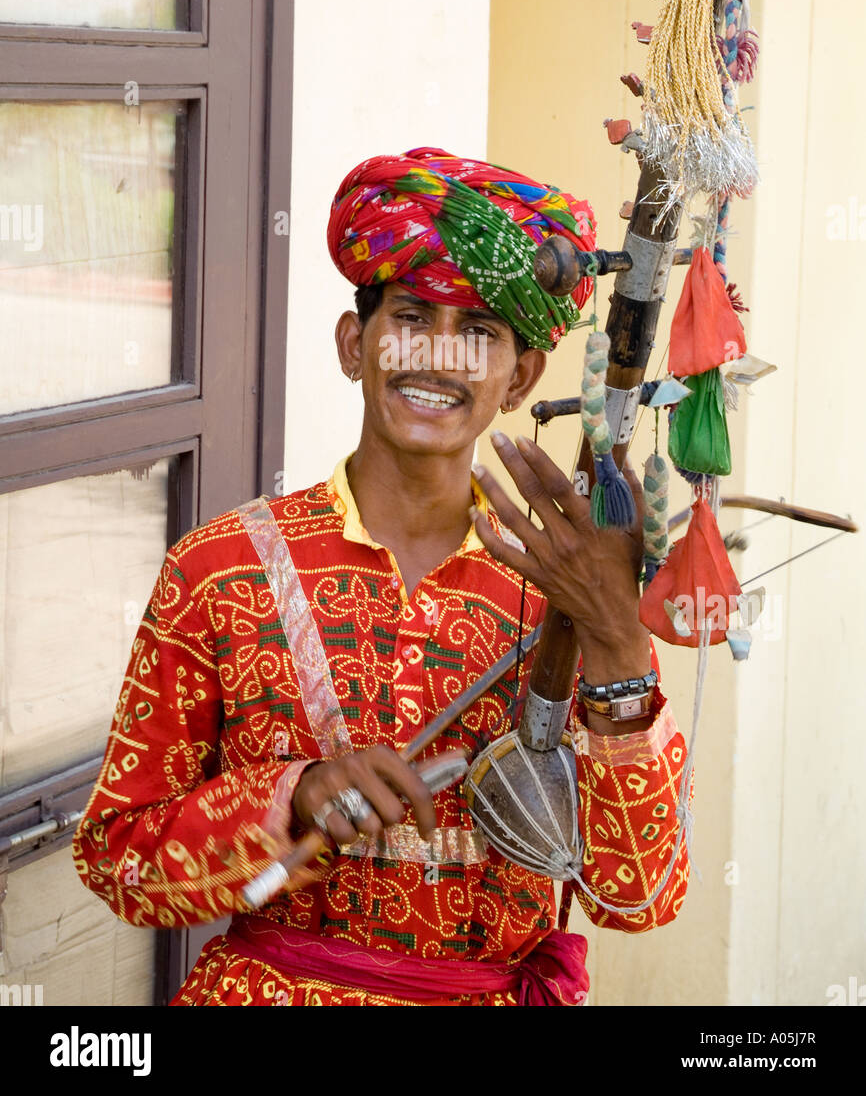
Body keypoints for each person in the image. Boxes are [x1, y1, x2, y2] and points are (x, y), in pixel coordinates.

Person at [73, 146, 690, 1006]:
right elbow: (119, 859)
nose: (438, 360)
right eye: (410, 318)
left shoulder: (565, 587)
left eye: (477, 333)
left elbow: (641, 896)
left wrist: (618, 637)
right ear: (354, 344)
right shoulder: (219, 569)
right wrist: (294, 797)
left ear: (520, 379)